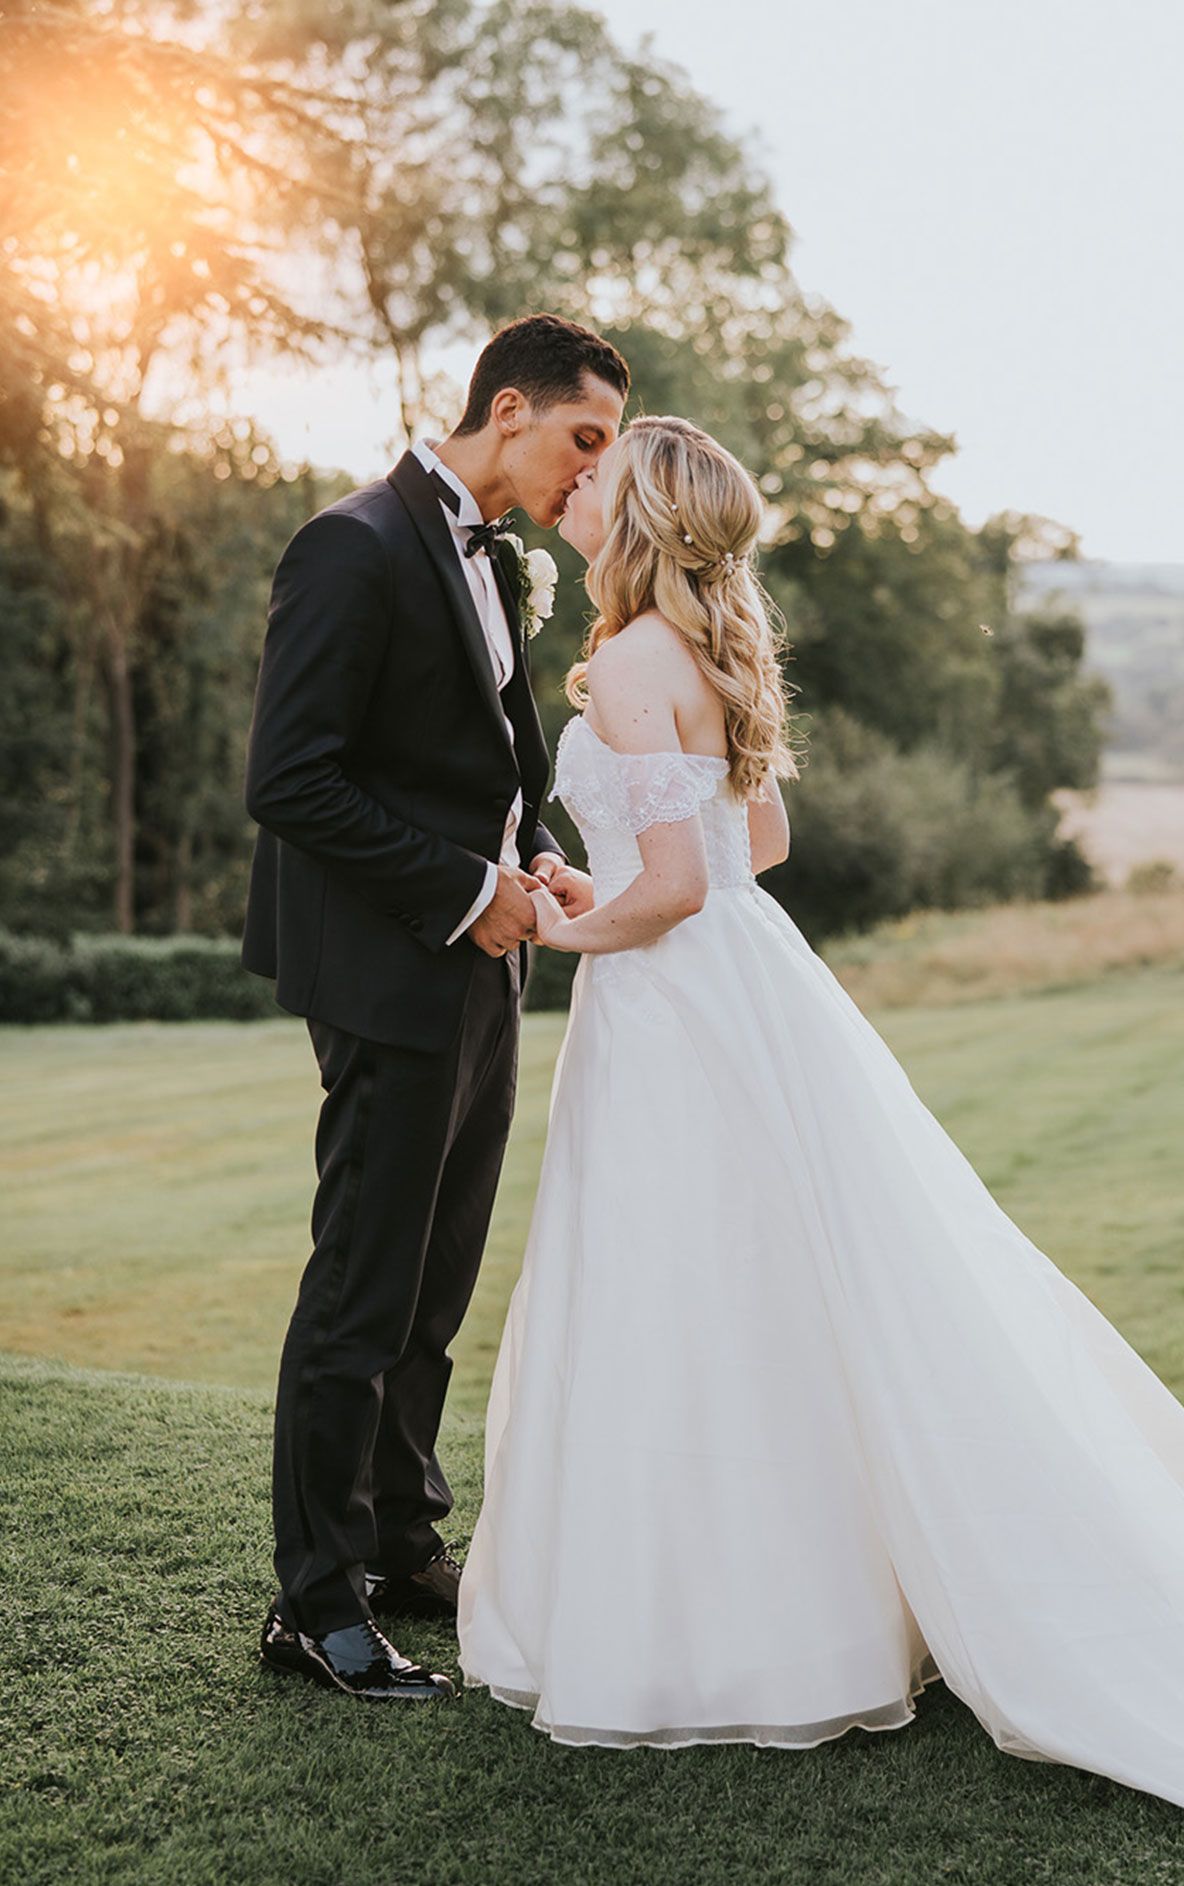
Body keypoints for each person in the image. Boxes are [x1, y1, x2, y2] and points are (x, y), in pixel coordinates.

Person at [457, 414, 1184, 1866]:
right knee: (781, 1295)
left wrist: (573, 916)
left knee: (686, 1294)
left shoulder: (633, 657)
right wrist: (614, 872)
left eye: (598, 478)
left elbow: (687, 884)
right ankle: (823, 1610)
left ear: (638, 511)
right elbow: (751, 852)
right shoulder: (707, 651)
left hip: (680, 1011)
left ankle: (716, 1635)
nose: (574, 492)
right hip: (753, 997)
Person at [242, 313, 628, 1700]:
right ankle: (315, 1604)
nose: (594, 474)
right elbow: (291, 779)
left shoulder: (495, 554)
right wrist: (469, 888)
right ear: (509, 408)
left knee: (436, 1283)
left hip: (485, 966)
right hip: (390, 965)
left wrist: (528, 851)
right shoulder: (351, 543)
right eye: (584, 441)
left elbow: (490, 755)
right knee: (361, 1283)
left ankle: (407, 1545)